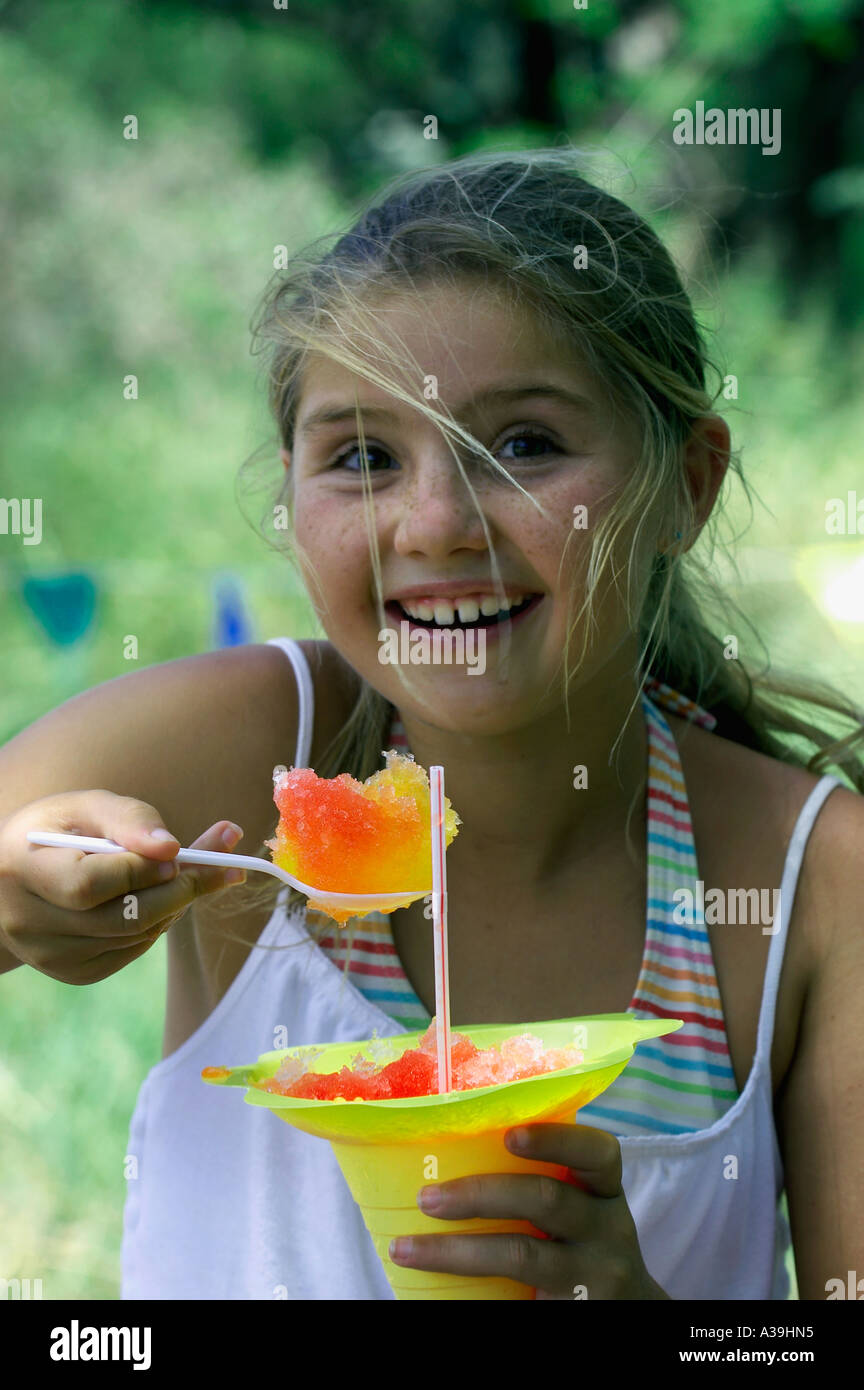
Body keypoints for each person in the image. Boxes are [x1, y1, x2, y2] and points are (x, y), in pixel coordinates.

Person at [1, 149, 862, 1301]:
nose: (438, 523)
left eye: (525, 445)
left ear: (685, 488)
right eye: (362, 457)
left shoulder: (814, 883)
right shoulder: (256, 746)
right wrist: (16, 896)